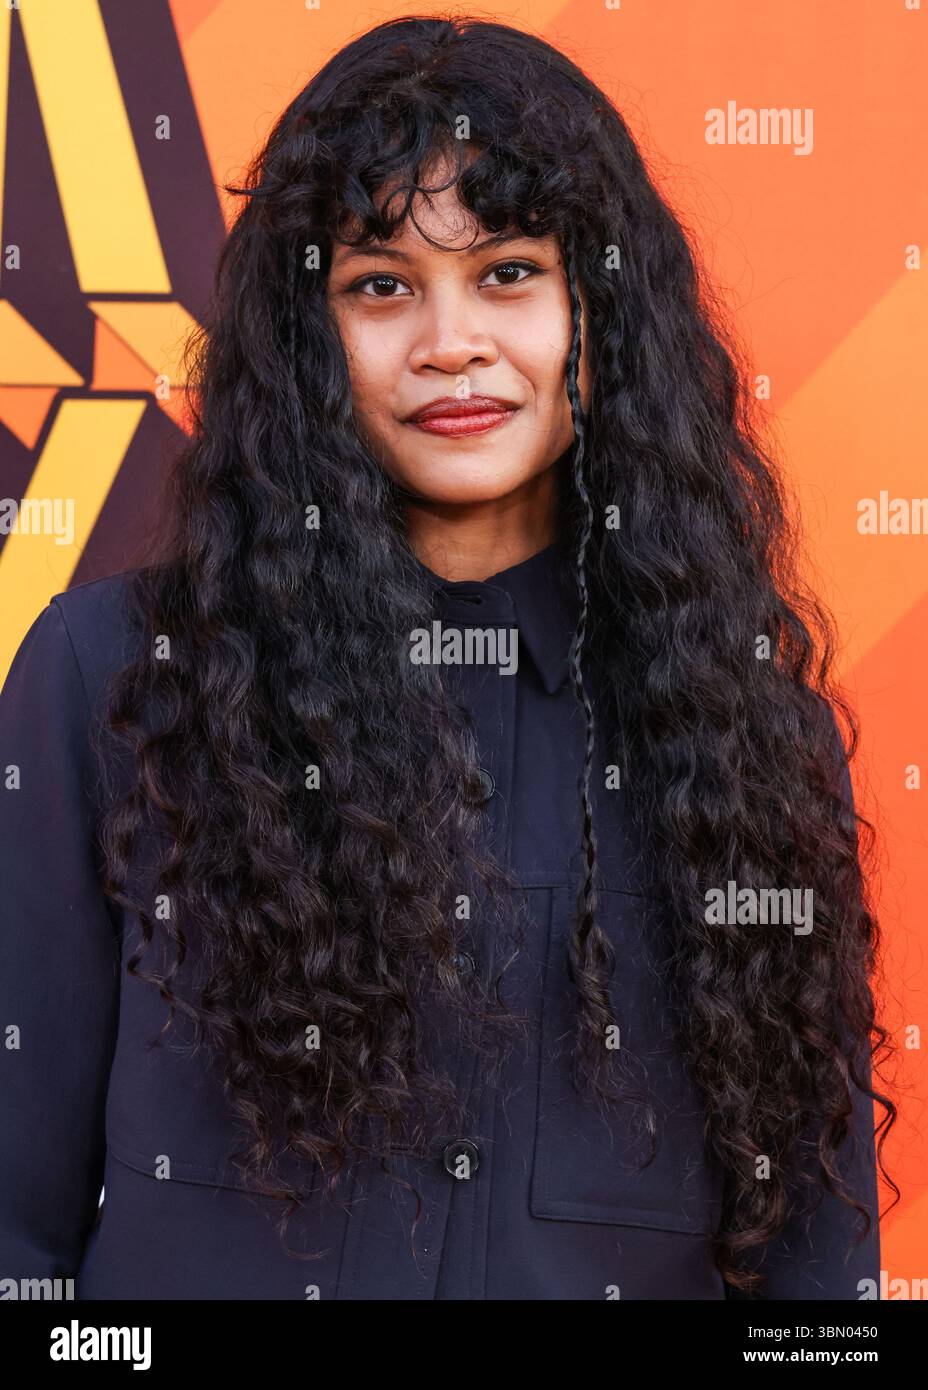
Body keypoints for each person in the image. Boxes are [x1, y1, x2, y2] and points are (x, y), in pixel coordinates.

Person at [0, 15, 895, 1300]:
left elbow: (815, 1266)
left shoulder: (743, 731)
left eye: (509, 273)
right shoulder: (110, 682)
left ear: (602, 307)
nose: (450, 343)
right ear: (307, 333)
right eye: (380, 285)